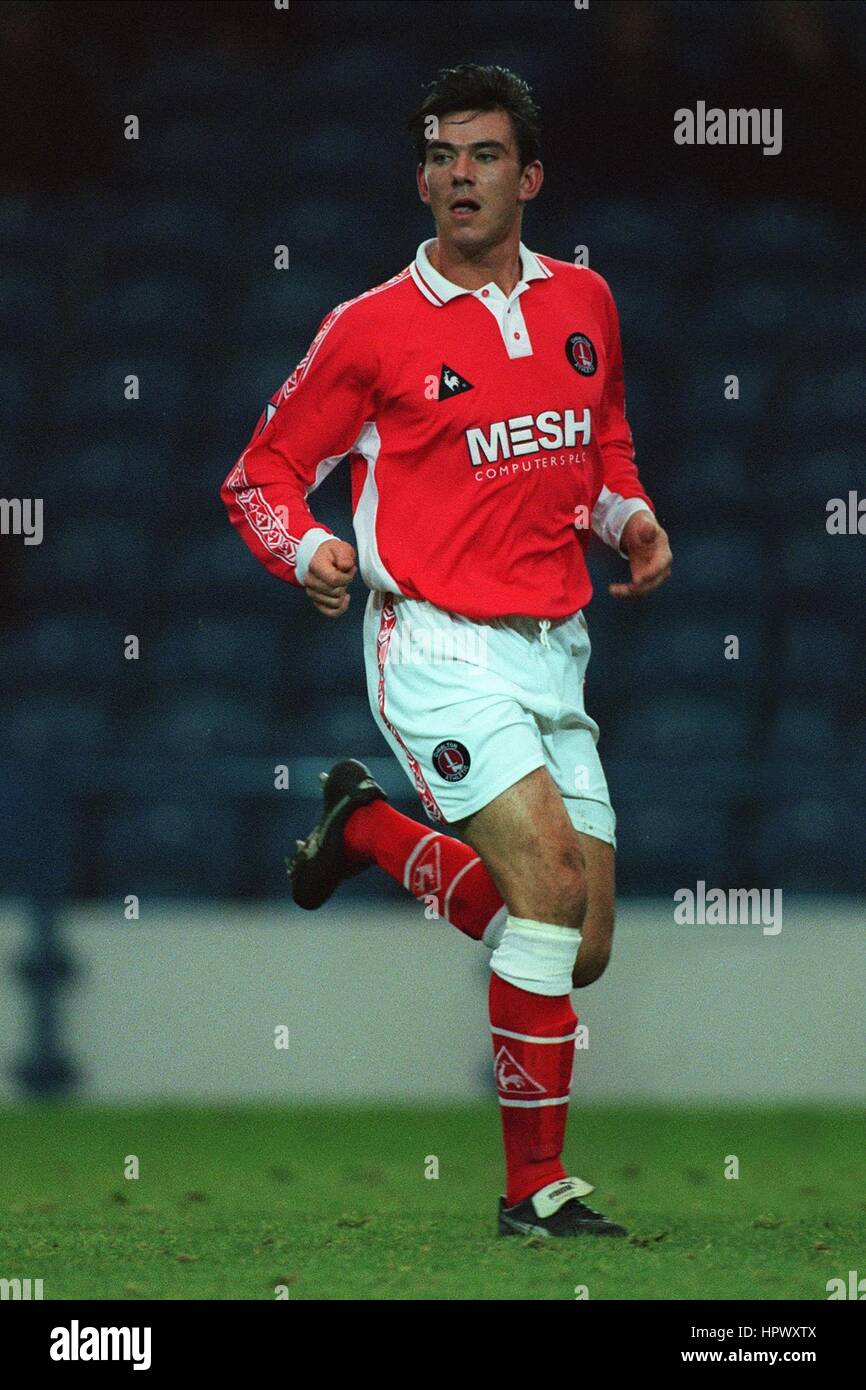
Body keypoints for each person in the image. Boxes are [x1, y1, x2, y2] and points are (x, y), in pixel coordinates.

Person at [221, 63, 672, 1238]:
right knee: (550, 889)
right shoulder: (367, 330)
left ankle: (365, 829)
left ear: (528, 176)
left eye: (480, 155)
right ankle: (535, 1191)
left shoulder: (586, 301)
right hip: (433, 641)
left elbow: (603, 443)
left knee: (579, 947)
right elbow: (259, 475)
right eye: (438, 155)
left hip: (552, 642)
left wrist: (627, 517)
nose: (455, 176)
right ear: (418, 175)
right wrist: (310, 549)